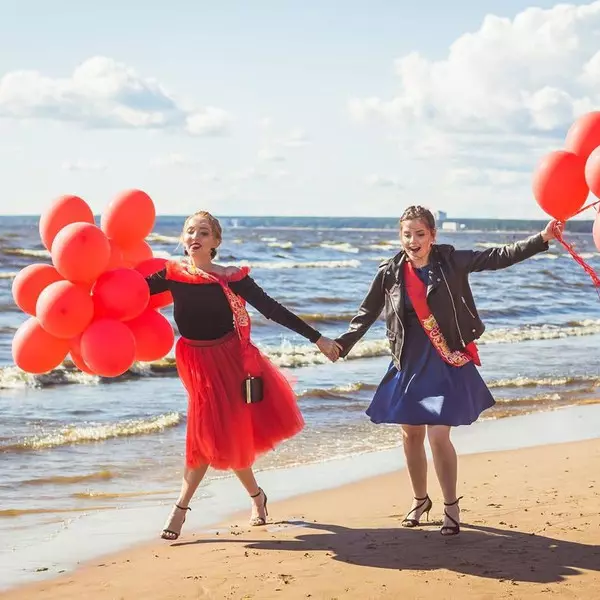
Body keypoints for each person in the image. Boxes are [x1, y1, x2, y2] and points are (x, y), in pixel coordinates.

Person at [333, 205, 562, 536]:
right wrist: (342, 345)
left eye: (420, 234)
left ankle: (451, 506)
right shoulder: (389, 272)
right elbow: (367, 312)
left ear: (433, 236)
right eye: (406, 234)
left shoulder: (451, 261)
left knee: (438, 435)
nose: (413, 241)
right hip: (408, 362)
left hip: (445, 359)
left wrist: (542, 238)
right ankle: (419, 499)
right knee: (410, 434)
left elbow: (497, 256)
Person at [145, 211, 339, 540]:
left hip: (231, 362)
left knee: (210, 435)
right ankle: (257, 497)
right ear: (182, 238)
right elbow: (129, 293)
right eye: (190, 231)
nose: (195, 237)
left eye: (203, 233)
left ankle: (180, 509)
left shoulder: (231, 277)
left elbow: (272, 309)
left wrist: (317, 338)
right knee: (219, 436)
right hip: (194, 363)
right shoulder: (172, 273)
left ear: (215, 242)